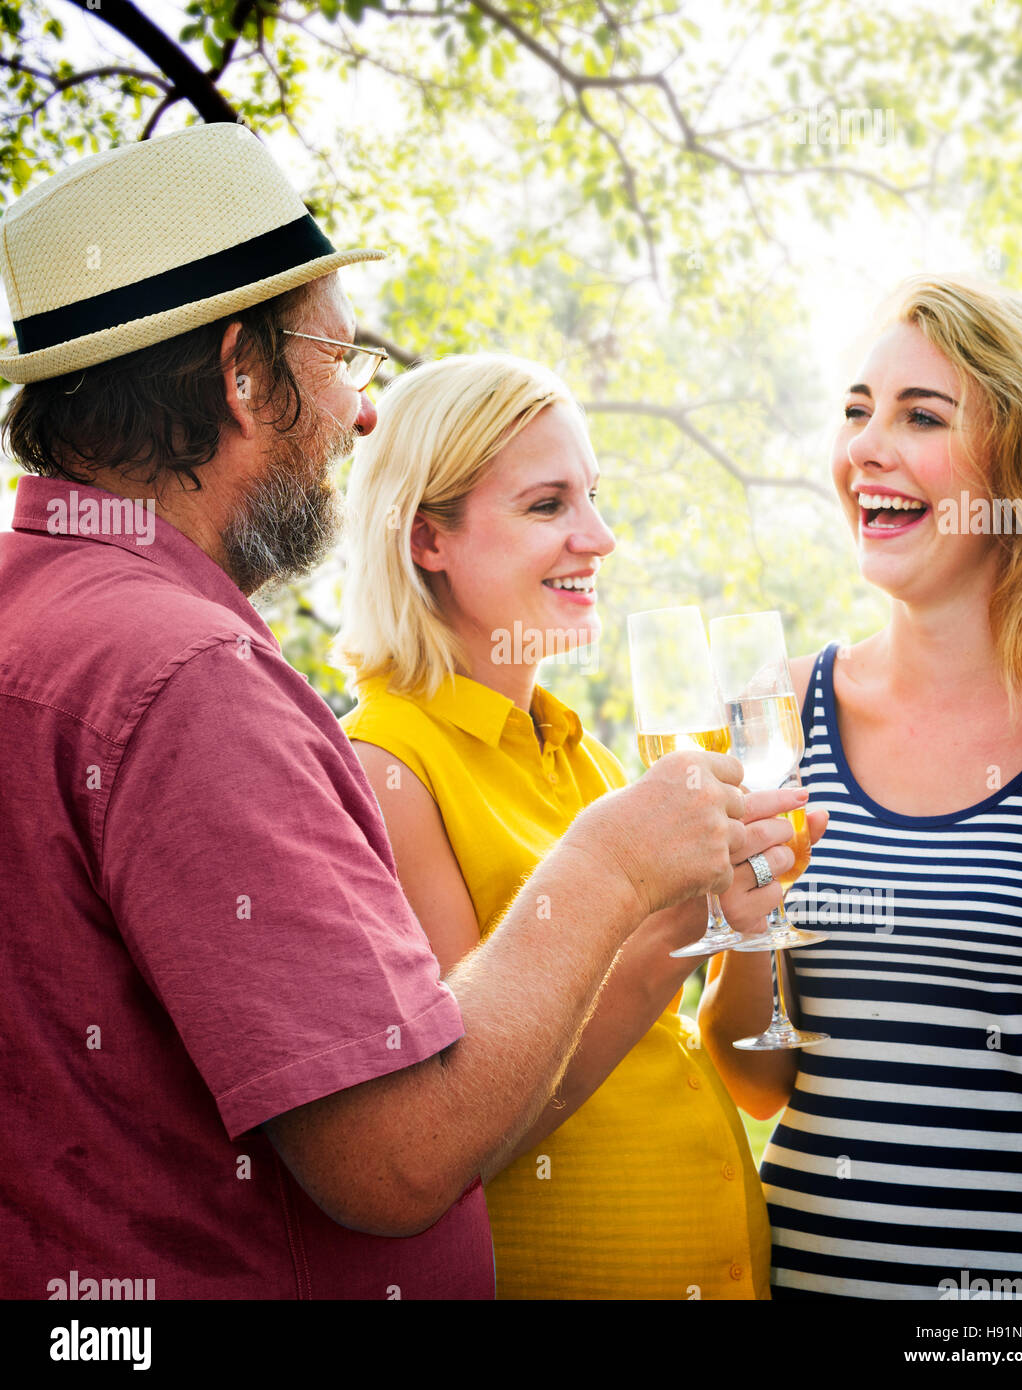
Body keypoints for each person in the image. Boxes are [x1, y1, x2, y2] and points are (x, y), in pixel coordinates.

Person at [0, 123, 750, 1300]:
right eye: (337, 357)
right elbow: (396, 1161)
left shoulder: (40, 621)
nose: (359, 414)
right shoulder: (187, 676)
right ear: (244, 375)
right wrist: (610, 869)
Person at [332, 352, 828, 1298]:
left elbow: (682, 1047)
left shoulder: (583, 757)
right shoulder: (387, 768)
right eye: (547, 505)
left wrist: (739, 912)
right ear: (426, 538)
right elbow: (466, 1121)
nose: (598, 538)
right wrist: (682, 922)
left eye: (594, 497)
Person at [701, 274, 1022, 1300]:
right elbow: (756, 1075)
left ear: (1021, 460)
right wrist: (745, 935)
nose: (867, 446)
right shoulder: (777, 713)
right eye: (856, 411)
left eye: (922, 415)